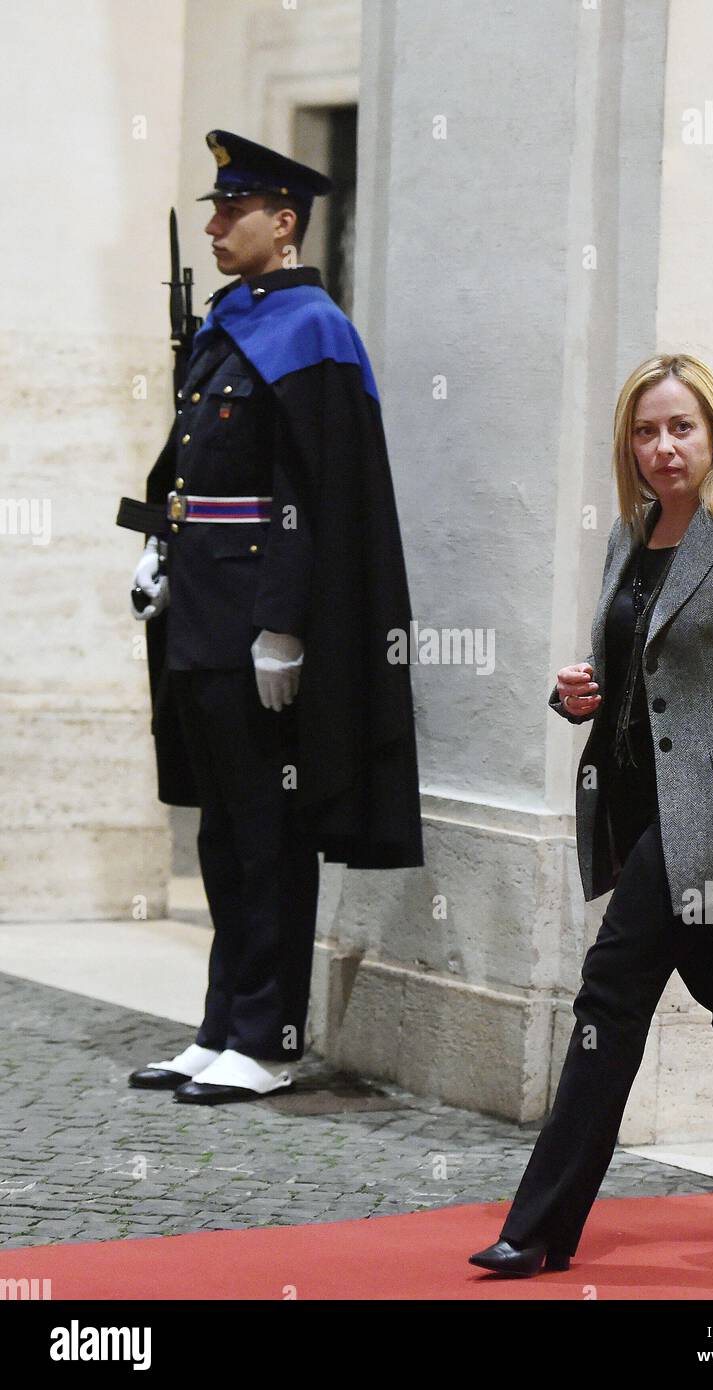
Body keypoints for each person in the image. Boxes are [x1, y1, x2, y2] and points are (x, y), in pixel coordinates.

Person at [469, 352, 713, 1276]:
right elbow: (636, 674)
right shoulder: (628, 537)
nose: (663, 446)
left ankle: (539, 1227)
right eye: (646, 430)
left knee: (609, 995)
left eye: (681, 427)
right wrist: (579, 694)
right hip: (634, 803)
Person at [118, 129, 423, 1105]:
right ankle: (223, 1024)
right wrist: (159, 547)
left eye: (231, 207)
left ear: (283, 221)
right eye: (212, 208)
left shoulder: (313, 332)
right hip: (201, 618)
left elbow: (311, 498)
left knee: (270, 834)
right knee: (221, 834)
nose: (213, 223)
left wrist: (284, 627)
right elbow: (192, 471)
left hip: (256, 626)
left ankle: (272, 1034)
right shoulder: (229, 326)